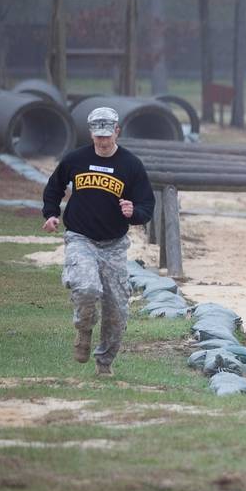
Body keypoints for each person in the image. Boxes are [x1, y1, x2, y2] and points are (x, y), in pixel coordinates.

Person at [41, 107, 155, 377]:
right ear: (91, 133)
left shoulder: (131, 165)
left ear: (117, 131)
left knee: (117, 309)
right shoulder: (75, 159)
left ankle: (104, 363)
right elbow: (54, 187)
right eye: (98, 136)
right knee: (87, 287)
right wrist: (51, 214)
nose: (103, 142)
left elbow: (147, 204)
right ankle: (83, 329)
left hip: (114, 245)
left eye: (107, 136)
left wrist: (134, 212)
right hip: (80, 238)